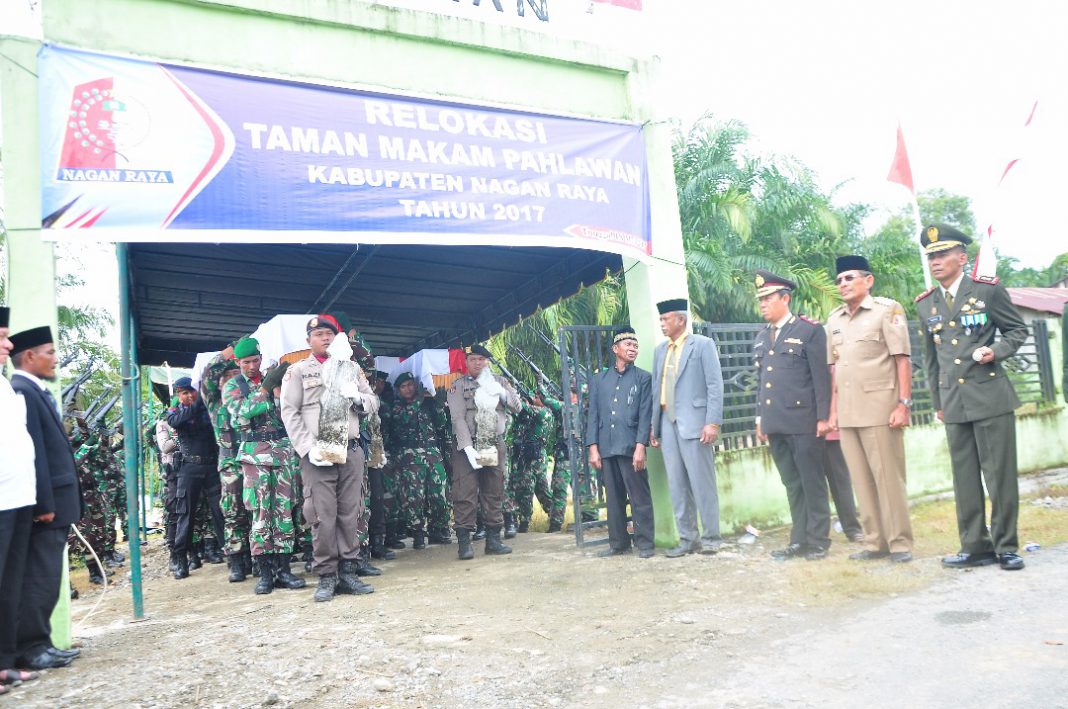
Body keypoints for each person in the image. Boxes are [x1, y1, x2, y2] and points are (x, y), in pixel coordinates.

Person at [916, 224, 1029, 571]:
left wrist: (994, 351)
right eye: (930, 256)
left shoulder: (987, 291)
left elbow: (1017, 330)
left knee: (999, 476)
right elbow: (930, 360)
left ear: (961, 258)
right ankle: (974, 545)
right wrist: (936, 400)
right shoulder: (926, 304)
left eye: (941, 254)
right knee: (963, 477)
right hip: (953, 401)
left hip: (990, 395)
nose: (935, 261)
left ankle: (1006, 546)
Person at [280, 315, 379, 602]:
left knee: (351, 513)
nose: (325, 338)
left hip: (349, 450)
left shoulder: (352, 368)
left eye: (329, 334)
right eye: (319, 334)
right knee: (323, 515)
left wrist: (357, 398)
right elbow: (290, 411)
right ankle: (326, 575)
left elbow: (373, 402)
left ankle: (348, 572)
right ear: (309, 340)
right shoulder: (298, 371)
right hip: (317, 453)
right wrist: (307, 448)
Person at [826, 256, 915, 563]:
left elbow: (901, 359)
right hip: (849, 413)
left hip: (880, 408)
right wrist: (834, 413)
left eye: (850, 278)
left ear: (868, 280)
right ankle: (875, 542)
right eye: (839, 280)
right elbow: (835, 370)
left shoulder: (886, 311)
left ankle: (900, 543)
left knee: (888, 479)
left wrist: (903, 404)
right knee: (861, 481)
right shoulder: (834, 319)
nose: (843, 284)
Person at [8, 326, 83, 670]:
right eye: (49, 352)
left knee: (49, 575)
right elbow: (33, 452)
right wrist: (44, 504)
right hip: (47, 504)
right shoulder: (22, 390)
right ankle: (32, 646)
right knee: (39, 576)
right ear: (29, 356)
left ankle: (42, 641)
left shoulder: (33, 389)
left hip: (56, 499)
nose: (55, 359)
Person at [752, 271, 833, 561]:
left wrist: (824, 417)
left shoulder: (808, 331)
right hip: (776, 422)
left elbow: (821, 378)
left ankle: (819, 539)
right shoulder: (762, 337)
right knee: (792, 483)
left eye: (768, 298)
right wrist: (761, 418)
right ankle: (799, 539)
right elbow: (762, 381)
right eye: (760, 299)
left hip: (804, 420)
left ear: (785, 298)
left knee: (811, 480)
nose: (762, 303)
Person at [223, 337, 306, 594]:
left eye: (255, 361)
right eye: (246, 362)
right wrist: (266, 390)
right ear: (237, 362)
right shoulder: (232, 386)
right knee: (260, 514)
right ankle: (265, 573)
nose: (251, 366)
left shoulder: (274, 380)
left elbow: (289, 412)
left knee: (283, 512)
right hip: (254, 456)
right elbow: (243, 412)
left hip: (281, 453)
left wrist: (278, 389)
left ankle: (284, 570)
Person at [650, 298, 725, 557]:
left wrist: (712, 422)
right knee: (677, 485)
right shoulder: (660, 351)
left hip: (695, 425)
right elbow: (655, 390)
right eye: (660, 320)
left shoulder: (702, 345)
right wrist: (654, 427)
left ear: (680, 320)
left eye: (665, 319)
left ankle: (712, 538)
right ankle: (687, 539)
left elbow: (715, 385)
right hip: (667, 423)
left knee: (702, 484)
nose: (662, 324)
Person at [446, 344, 522, 560]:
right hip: (466, 446)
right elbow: (458, 417)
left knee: (493, 490)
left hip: (493, 443)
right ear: (466, 362)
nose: (477, 363)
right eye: (473, 359)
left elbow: (518, 407)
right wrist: (467, 447)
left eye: (481, 359)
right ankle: (464, 543)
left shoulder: (499, 382)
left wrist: (504, 395)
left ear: (487, 361)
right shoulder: (458, 385)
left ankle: (493, 540)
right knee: (464, 493)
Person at [0, 308, 43, 688]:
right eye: (1, 337)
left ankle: (4, 660)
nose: (8, 344)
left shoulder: (3, 386)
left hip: (16, 497)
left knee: (9, 584)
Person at [585, 326, 655, 558]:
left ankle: (645, 544)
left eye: (635, 345)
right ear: (616, 349)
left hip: (631, 446)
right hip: (606, 447)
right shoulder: (599, 380)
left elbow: (646, 414)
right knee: (614, 499)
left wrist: (640, 446)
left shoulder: (643, 378)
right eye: (628, 344)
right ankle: (619, 543)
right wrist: (593, 448)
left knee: (639, 497)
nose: (633, 348)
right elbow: (592, 415)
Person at [383, 373, 451, 551]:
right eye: (403, 386)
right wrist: (418, 400)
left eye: (410, 385)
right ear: (398, 390)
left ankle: (438, 528)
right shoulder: (395, 407)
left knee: (439, 494)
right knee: (415, 497)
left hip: (432, 454)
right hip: (409, 457)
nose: (408, 389)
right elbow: (403, 420)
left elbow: (441, 424)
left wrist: (438, 405)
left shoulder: (427, 404)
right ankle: (418, 533)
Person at [201, 352, 252, 582]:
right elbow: (208, 377)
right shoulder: (215, 402)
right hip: (230, 464)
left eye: (236, 374)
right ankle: (236, 561)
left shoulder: (248, 400)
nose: (232, 380)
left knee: (256, 511)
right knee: (233, 512)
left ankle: (256, 559)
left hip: (253, 460)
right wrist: (223, 355)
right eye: (227, 376)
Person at [166, 377, 224, 579]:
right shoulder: (175, 412)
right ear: (178, 395)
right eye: (184, 393)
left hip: (212, 467)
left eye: (192, 391)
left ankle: (235, 557)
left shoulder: (208, 409)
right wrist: (199, 402)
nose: (189, 395)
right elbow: (176, 421)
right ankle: (181, 559)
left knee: (221, 512)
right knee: (185, 515)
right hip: (189, 468)